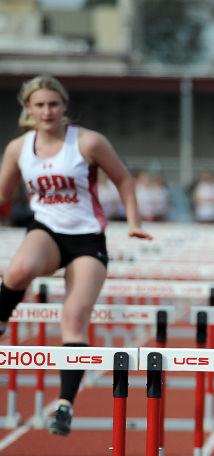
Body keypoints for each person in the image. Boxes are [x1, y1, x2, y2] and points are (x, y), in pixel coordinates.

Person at [0, 74, 153, 435]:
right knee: (20, 268)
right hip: (47, 231)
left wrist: (133, 221)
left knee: (74, 314)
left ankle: (65, 404)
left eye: (54, 104)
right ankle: (2, 316)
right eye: (39, 105)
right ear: (28, 109)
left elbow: (124, 179)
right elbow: (4, 193)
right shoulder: (18, 149)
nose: (47, 111)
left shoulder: (87, 142)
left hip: (87, 238)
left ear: (64, 106)